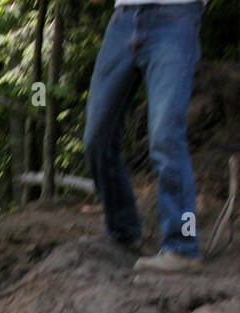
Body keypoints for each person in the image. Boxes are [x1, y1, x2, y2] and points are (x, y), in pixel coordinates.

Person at [82, 0, 204, 272]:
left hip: (177, 16)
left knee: (166, 136)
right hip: (123, 19)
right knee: (96, 138)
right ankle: (123, 231)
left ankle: (184, 245)